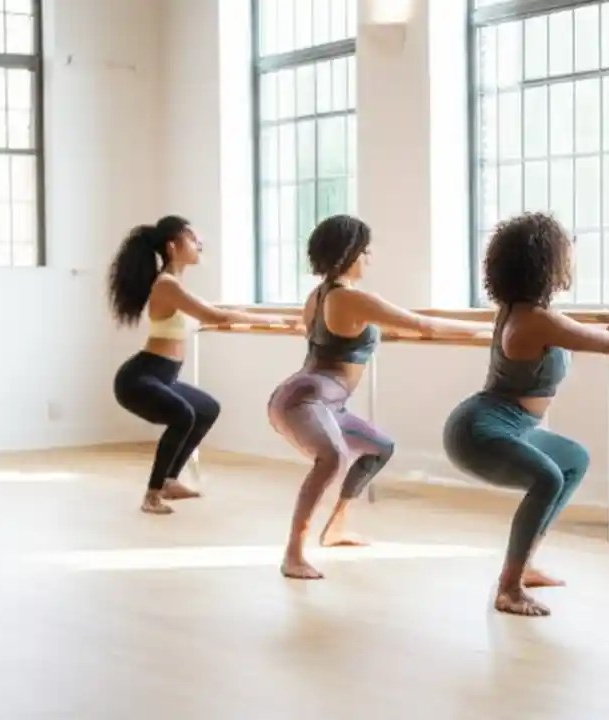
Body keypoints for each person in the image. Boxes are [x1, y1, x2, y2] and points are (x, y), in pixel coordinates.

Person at [442, 212, 609, 617]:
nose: (571, 262)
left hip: (510, 425)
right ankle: (509, 588)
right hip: (481, 428)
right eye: (567, 254)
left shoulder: (525, 311)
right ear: (545, 263)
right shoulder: (534, 319)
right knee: (547, 476)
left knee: (573, 459)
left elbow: (602, 336)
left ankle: (523, 564)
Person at [269, 215, 494, 580]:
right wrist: (493, 328)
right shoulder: (349, 298)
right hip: (306, 400)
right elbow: (425, 325)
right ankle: (293, 554)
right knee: (332, 459)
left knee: (380, 447)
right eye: (366, 251)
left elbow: (365, 329)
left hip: (317, 399)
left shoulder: (320, 295)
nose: (369, 259)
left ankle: (337, 527)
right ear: (350, 254)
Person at [109, 215, 299, 515]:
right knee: (183, 415)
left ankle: (171, 481)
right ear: (173, 247)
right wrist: (276, 320)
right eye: (191, 238)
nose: (200, 243)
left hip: (162, 376)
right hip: (140, 378)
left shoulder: (175, 286)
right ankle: (152, 494)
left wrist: (273, 315)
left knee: (207, 409)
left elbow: (216, 311)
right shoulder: (167, 285)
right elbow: (216, 317)